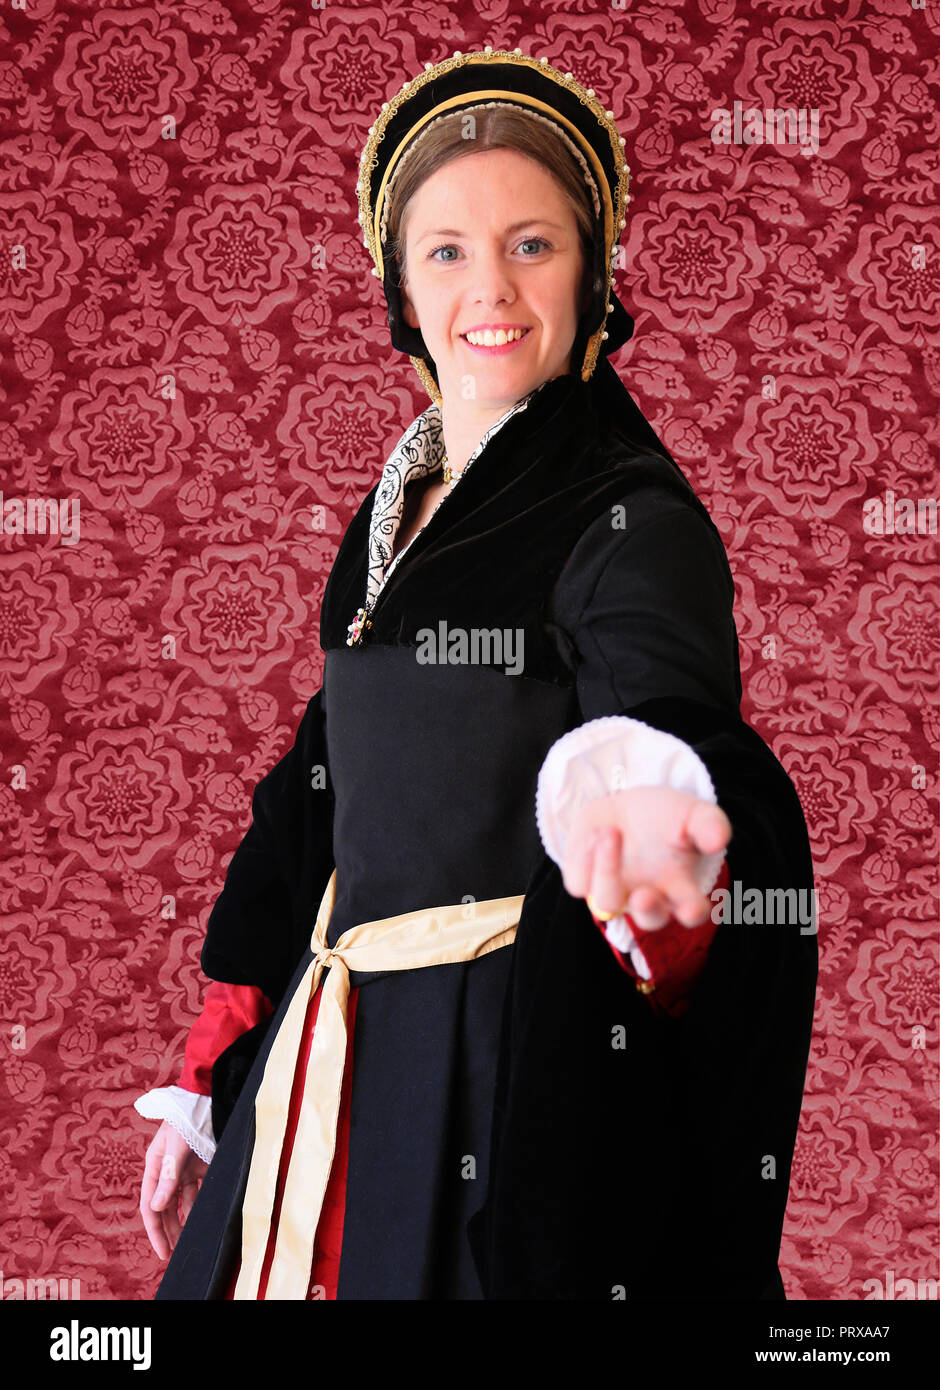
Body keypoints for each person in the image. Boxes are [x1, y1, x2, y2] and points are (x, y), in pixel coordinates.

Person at [134, 48, 818, 1301]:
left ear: (595, 276)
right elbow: (322, 783)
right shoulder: (403, 500)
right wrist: (215, 1052)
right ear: (399, 283)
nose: (487, 287)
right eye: (445, 250)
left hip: (495, 1073)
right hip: (340, 1049)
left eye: (531, 245)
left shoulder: (628, 512)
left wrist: (659, 816)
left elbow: (668, 719)